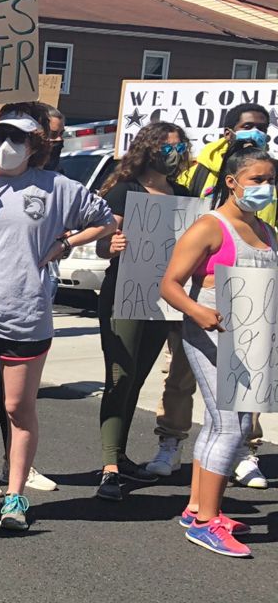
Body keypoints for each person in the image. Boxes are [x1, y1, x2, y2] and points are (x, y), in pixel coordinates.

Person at [0, 102, 116, 531]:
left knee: (19, 408)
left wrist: (68, 242)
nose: (7, 146)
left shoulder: (56, 187)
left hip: (27, 314)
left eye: (17, 139)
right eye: (0, 137)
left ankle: (15, 496)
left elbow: (106, 219)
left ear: (34, 146)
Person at [149, 103, 274, 487]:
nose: (255, 132)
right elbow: (172, 272)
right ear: (228, 130)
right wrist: (196, 310)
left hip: (253, 312)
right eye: (247, 126)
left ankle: (242, 453)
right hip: (206, 307)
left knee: (237, 414)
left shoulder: (266, 177)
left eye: (262, 127)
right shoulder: (199, 170)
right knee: (189, 386)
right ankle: (174, 449)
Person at [160, 144, 276, 557]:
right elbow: (169, 283)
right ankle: (208, 522)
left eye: (269, 180)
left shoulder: (265, 231)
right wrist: (199, 312)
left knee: (221, 425)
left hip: (251, 338)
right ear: (232, 182)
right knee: (232, 425)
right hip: (212, 333)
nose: (264, 187)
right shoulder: (210, 227)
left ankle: (197, 509)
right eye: (256, 180)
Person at [92, 122, 195, 501]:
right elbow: (104, 246)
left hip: (163, 297)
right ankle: (109, 466)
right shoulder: (125, 191)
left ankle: (119, 453)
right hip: (124, 292)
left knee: (136, 377)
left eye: (179, 147)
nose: (175, 153)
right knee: (119, 375)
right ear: (149, 149)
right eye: (168, 146)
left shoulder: (183, 194)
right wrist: (112, 245)